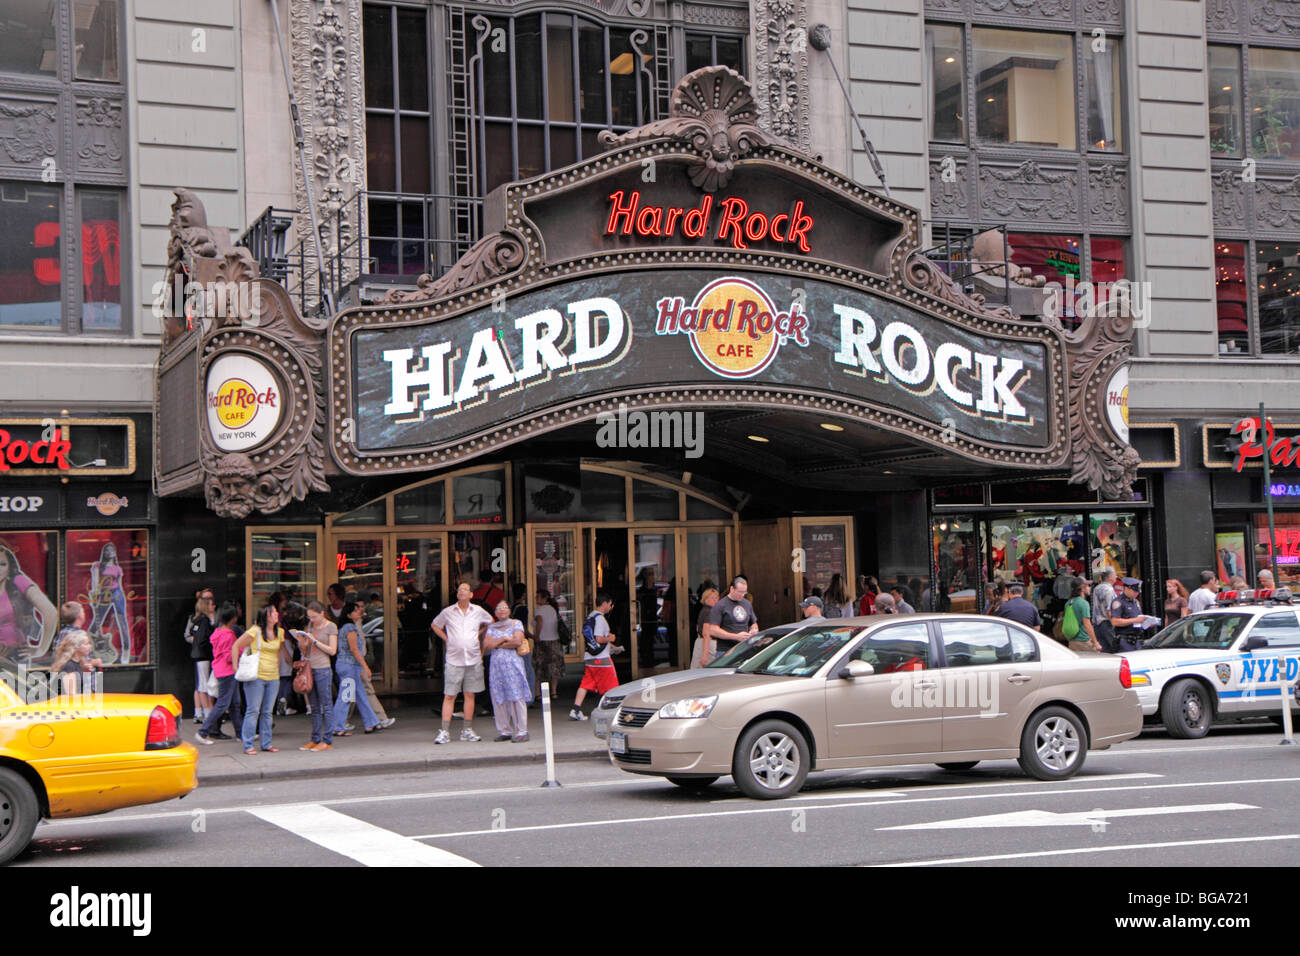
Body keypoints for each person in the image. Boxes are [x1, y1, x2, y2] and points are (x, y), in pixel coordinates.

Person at [431, 582, 493, 744]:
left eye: (465, 589)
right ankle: (444, 730)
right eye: (459, 590)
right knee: (450, 694)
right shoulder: (448, 612)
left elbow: (490, 621)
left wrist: (480, 634)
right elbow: (435, 625)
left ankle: (467, 729)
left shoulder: (478, 611)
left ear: (471, 594)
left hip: (472, 658)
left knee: (469, 694)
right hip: (454, 659)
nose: (462, 592)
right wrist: (447, 639)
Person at [232, 605, 285, 755]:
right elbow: (236, 646)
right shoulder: (255, 631)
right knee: (253, 710)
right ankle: (248, 744)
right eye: (273, 612)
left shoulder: (280, 632)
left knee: (267, 712)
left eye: (276, 611)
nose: (276, 614)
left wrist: (279, 670)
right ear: (266, 616)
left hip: (273, 676)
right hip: (256, 676)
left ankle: (266, 743)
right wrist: (236, 667)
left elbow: (278, 652)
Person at [0, 543, 58, 662]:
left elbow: (50, 613)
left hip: (13, 655)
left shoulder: (18, 581)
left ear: (10, 568)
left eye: (3, 564)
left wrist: (41, 649)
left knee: (15, 681)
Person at [292, 601, 338, 751]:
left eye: (314, 616)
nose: (312, 620)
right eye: (310, 617)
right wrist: (301, 641)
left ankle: (328, 740)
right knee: (314, 706)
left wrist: (315, 641)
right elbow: (305, 651)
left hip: (323, 668)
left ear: (322, 613)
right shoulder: (310, 627)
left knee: (326, 704)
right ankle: (315, 738)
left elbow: (332, 650)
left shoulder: (331, 626)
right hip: (310, 668)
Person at [332, 602, 383, 736]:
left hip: (347, 665)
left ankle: (371, 722)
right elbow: (354, 650)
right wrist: (365, 666)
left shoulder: (344, 628)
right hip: (350, 666)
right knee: (346, 696)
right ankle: (337, 726)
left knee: (360, 694)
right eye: (355, 611)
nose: (358, 612)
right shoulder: (350, 629)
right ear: (349, 615)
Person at [484, 600, 532, 742]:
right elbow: (487, 644)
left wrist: (497, 644)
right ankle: (504, 730)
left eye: (505, 608)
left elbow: (517, 641)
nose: (502, 610)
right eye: (499, 608)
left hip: (513, 665)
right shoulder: (491, 627)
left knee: (516, 696)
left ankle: (521, 731)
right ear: (495, 612)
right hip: (496, 668)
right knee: (498, 697)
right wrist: (504, 639)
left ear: (509, 611)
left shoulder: (515, 623)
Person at [570, 591, 620, 721]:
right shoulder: (601, 619)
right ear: (604, 604)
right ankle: (611, 713)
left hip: (590, 657)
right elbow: (599, 638)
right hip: (601, 659)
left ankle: (575, 709)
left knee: (586, 684)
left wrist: (613, 648)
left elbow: (593, 640)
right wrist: (611, 638)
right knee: (611, 686)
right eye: (610, 604)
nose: (611, 607)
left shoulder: (590, 616)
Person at [197, 603, 242, 744]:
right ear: (233, 619)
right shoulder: (229, 635)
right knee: (224, 703)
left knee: (235, 703)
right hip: (228, 672)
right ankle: (203, 732)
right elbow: (230, 656)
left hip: (220, 670)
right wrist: (241, 650)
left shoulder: (217, 633)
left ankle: (241, 734)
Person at [87, 541, 131, 664]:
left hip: (117, 592)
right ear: (104, 552)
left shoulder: (118, 568)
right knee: (97, 620)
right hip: (104, 592)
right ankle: (86, 645)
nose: (109, 552)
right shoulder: (97, 565)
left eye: (112, 550)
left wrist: (122, 598)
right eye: (107, 550)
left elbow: (120, 585)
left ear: (115, 553)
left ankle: (126, 650)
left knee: (122, 621)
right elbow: (95, 582)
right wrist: (94, 596)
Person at [706, 575, 759, 660]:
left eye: (744, 592)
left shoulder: (747, 604)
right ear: (732, 589)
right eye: (740, 592)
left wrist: (754, 630)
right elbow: (713, 630)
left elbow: (753, 623)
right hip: (726, 651)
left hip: (744, 649)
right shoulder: (720, 605)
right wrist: (735, 636)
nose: (742, 595)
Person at [186, 589, 216, 725]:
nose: (213, 605)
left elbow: (191, 635)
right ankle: (206, 713)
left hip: (198, 654)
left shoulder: (197, 620)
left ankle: (201, 712)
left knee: (201, 684)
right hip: (203, 655)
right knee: (203, 685)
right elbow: (203, 638)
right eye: (209, 602)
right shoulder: (202, 620)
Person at [532, 588, 564, 699]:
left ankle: (538, 693)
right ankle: (554, 692)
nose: (536, 599)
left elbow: (539, 621)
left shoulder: (539, 610)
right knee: (554, 667)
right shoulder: (553, 609)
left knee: (538, 667)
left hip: (542, 641)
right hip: (554, 640)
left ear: (544, 598)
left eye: (538, 597)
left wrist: (536, 635)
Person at [51, 629, 98, 697]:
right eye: (86, 644)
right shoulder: (69, 666)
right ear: (76, 647)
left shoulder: (80, 663)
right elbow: (71, 696)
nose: (90, 646)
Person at [1062, 578, 1101, 652]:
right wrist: (1095, 643)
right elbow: (1087, 625)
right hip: (1084, 641)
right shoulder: (1083, 603)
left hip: (1072, 642)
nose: (1089, 588)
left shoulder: (1068, 603)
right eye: (1088, 586)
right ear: (1082, 588)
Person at [1110, 577, 1148, 652]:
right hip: (1124, 641)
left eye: (1137, 592)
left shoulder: (1135, 602)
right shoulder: (1118, 602)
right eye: (1134, 591)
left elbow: (1138, 618)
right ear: (1126, 588)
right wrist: (1135, 620)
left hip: (1136, 641)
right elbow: (1115, 621)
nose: (1136, 593)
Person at [691, 587, 720, 667]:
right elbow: (706, 634)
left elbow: (698, 628)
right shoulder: (709, 612)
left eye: (716, 598)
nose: (715, 600)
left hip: (702, 642)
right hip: (707, 644)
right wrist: (705, 654)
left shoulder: (705, 610)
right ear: (705, 599)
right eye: (712, 598)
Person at [1092, 569, 1118, 653]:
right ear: (1110, 577)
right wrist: (1114, 622)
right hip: (1107, 623)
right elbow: (1110, 609)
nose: (1116, 577)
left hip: (1097, 624)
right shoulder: (1109, 590)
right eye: (1115, 575)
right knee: (1116, 649)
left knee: (1104, 651)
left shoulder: (1096, 588)